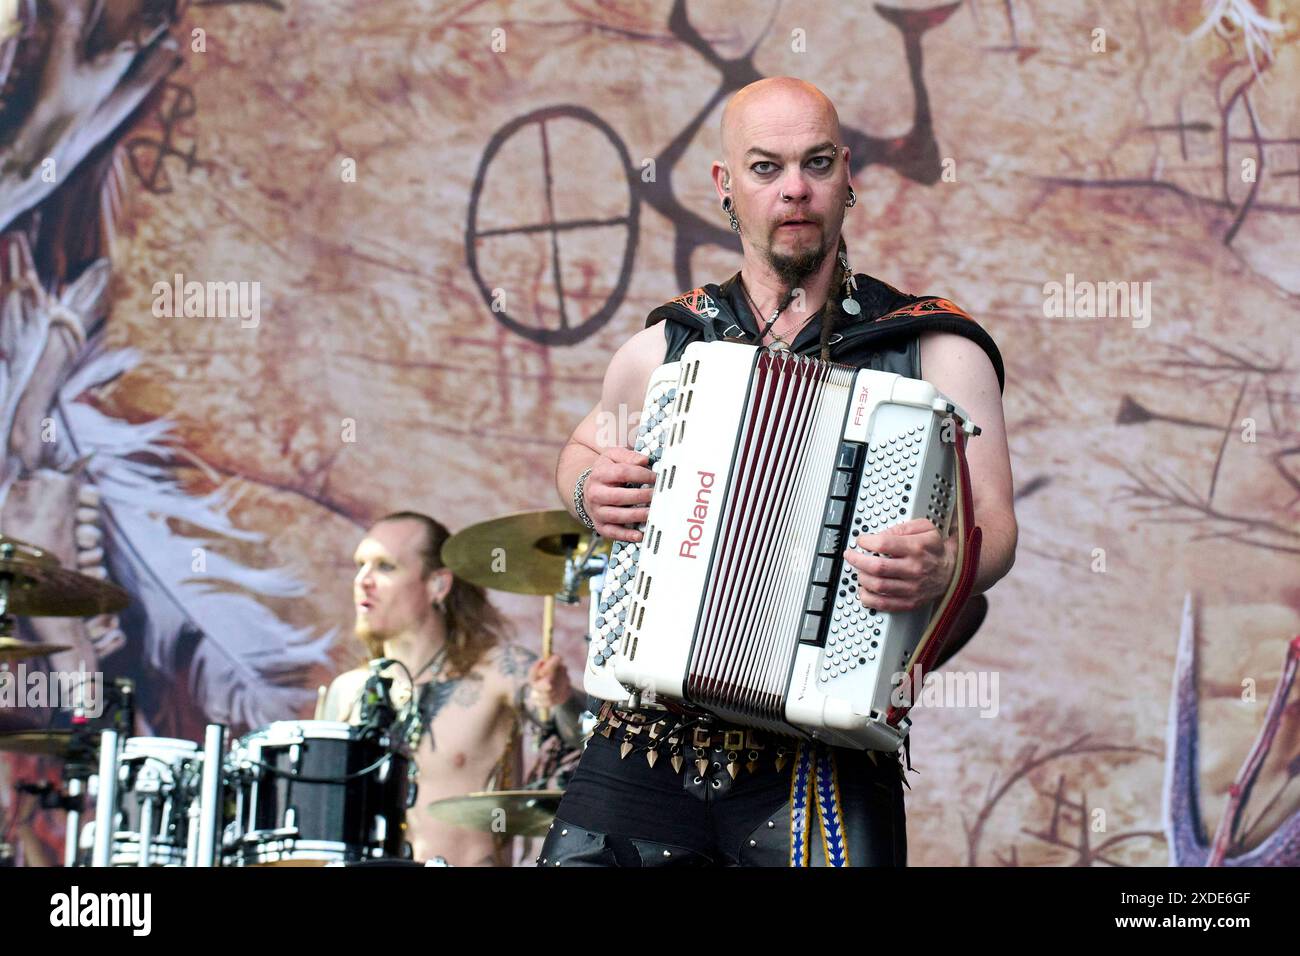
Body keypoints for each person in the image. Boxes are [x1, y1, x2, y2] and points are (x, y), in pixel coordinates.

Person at [541, 77, 1017, 866]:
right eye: (767, 168)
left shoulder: (937, 348)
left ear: (846, 175)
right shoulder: (672, 346)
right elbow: (583, 452)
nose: (794, 188)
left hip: (824, 751)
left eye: (816, 163)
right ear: (727, 186)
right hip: (648, 740)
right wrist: (589, 495)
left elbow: (994, 530)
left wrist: (944, 561)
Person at [320, 511, 585, 865]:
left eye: (385, 567)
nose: (362, 580)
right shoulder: (347, 691)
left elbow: (589, 734)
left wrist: (561, 698)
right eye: (360, 565)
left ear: (438, 585)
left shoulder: (498, 671)